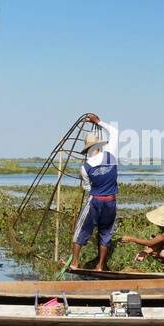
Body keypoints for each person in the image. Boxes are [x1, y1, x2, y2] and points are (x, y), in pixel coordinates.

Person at [71, 114, 119, 272]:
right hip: (110, 201)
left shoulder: (85, 167)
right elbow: (114, 131)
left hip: (95, 201)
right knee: (105, 233)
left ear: (89, 149)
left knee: (81, 230)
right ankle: (99, 266)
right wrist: (99, 122)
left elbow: (86, 187)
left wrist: (96, 186)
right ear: (99, 146)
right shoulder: (110, 155)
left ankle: (75, 262)